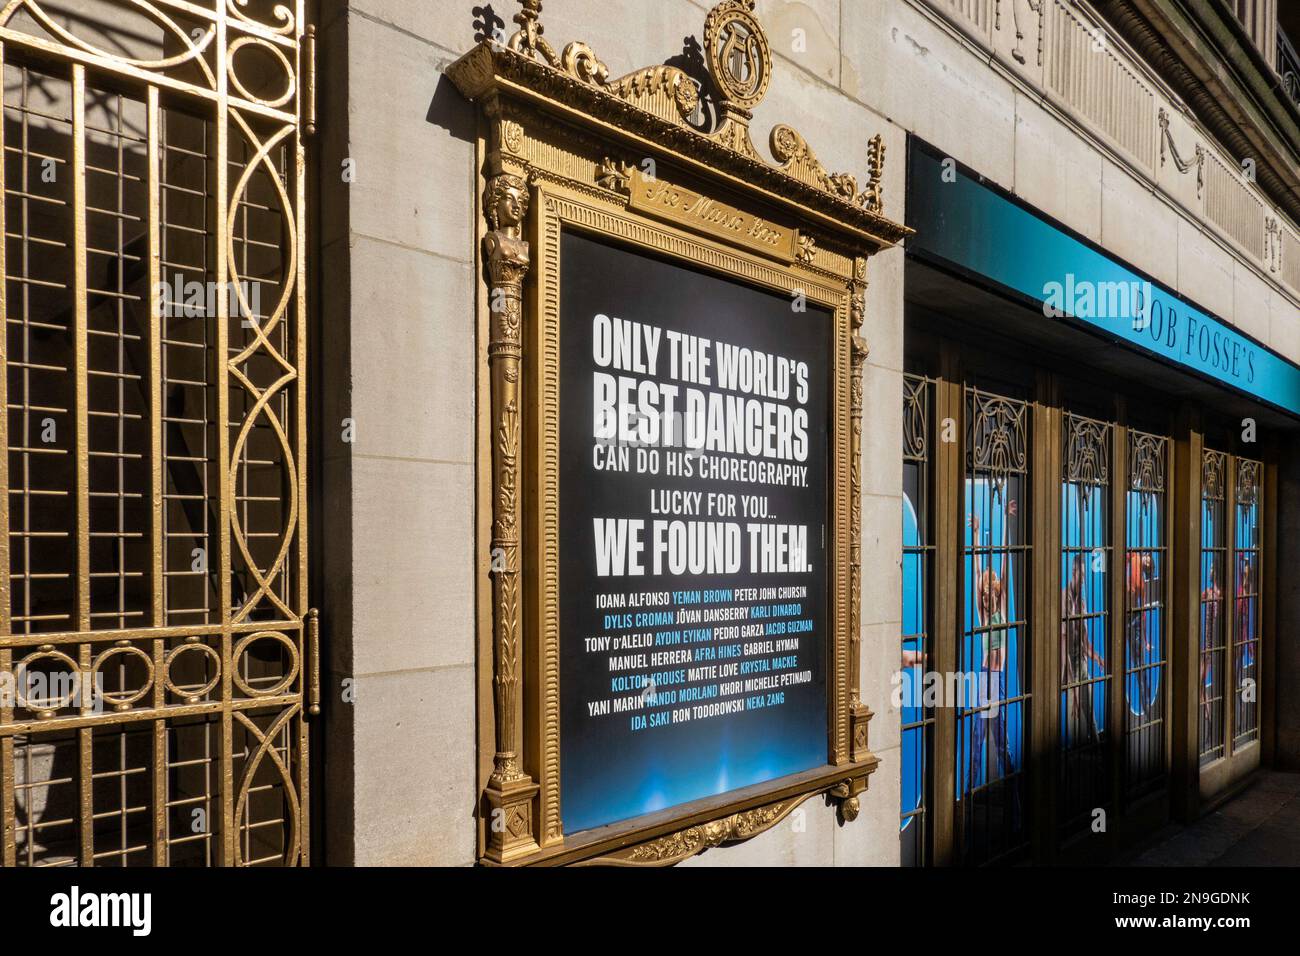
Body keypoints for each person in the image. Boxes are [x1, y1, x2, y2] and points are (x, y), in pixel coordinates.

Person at [967, 498, 1015, 792]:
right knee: (977, 742)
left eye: (989, 591)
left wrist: (1007, 525)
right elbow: (974, 572)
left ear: (996, 591)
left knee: (1001, 744)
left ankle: (1014, 796)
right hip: (984, 678)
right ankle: (968, 796)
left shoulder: (1002, 612)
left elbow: (1005, 562)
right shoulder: (984, 616)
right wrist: (974, 535)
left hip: (996, 682)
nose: (985, 596)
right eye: (983, 593)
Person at [1061, 554, 1106, 746]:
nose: (1085, 578)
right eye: (1082, 574)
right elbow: (1063, 650)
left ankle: (1098, 767)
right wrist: (1074, 688)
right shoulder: (1064, 600)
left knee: (1091, 720)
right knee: (1074, 726)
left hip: (1082, 667)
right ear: (1073, 573)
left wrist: (1097, 657)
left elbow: (1085, 643)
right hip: (1069, 670)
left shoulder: (1082, 602)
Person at [1125, 551, 1155, 715]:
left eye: (1149, 564)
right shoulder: (1133, 555)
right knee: (1136, 664)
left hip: (1133, 618)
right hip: (1127, 616)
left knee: (1138, 664)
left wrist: (1145, 640)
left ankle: (1145, 703)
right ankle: (1145, 698)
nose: (1148, 562)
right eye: (1149, 559)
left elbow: (1142, 613)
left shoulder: (1142, 586)